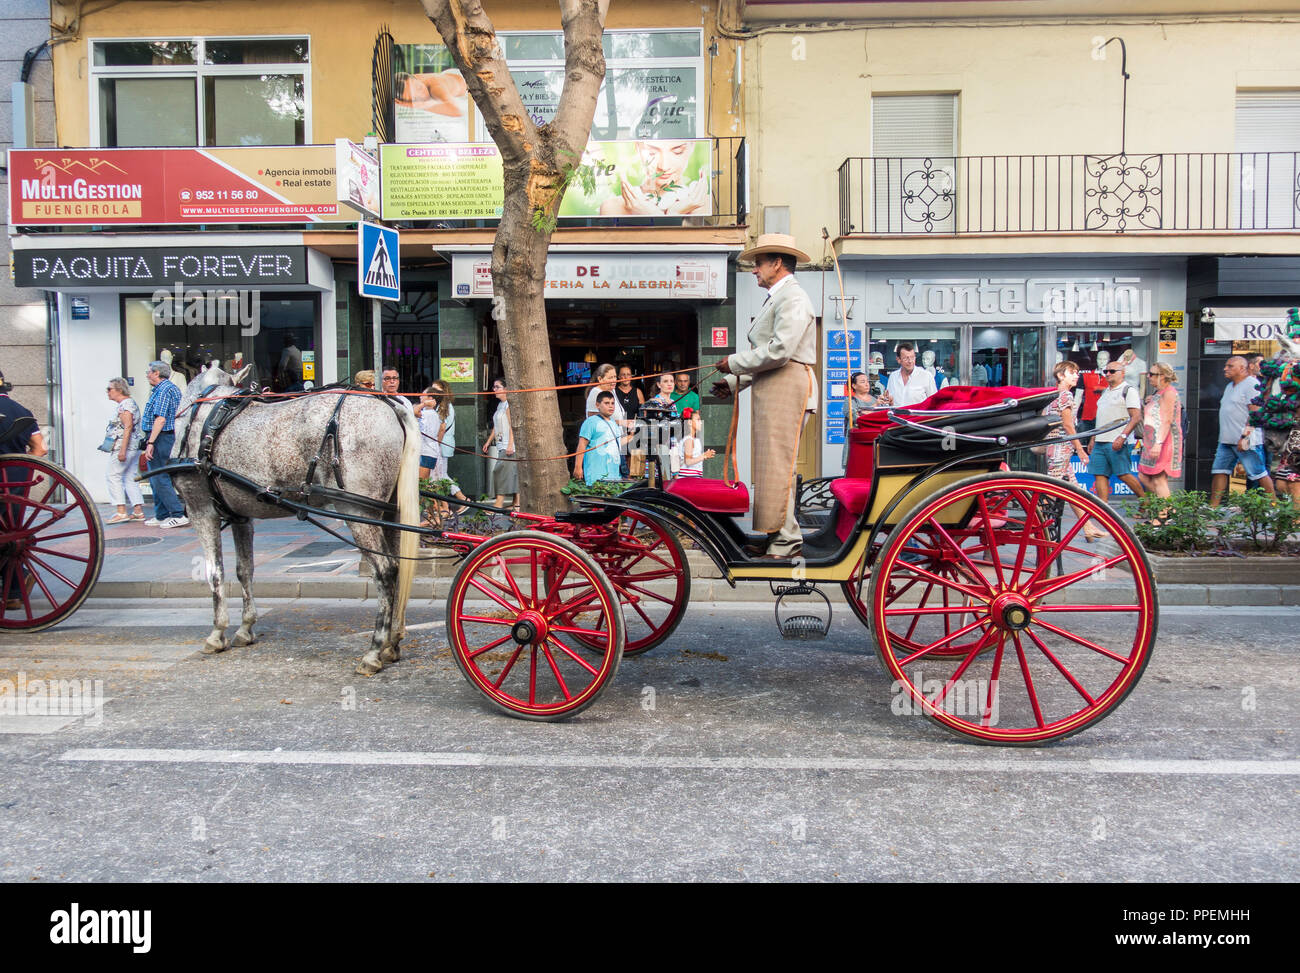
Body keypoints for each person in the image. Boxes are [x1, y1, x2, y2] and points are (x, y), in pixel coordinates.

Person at [713, 233, 817, 559]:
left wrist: (733, 363)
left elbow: (780, 351)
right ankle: (777, 535)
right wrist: (732, 382)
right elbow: (769, 358)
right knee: (770, 465)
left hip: (786, 386)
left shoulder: (794, 298)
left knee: (778, 465)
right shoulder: (780, 297)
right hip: (775, 385)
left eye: (758, 263)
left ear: (776, 263)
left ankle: (786, 540)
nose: (754, 269)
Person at [0, 370, 47, 608]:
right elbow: (40, 449)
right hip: (17, 483)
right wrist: (21, 469)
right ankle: (13, 592)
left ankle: (14, 590)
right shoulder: (22, 411)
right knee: (10, 532)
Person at [1086, 357, 1146, 522]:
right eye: (1106, 371)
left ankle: (1145, 502)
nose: (1108, 374)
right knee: (1099, 474)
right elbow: (1100, 418)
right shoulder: (1106, 391)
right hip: (1100, 440)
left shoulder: (1128, 390)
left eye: (1112, 371)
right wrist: (1093, 438)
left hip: (1118, 440)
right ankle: (1103, 508)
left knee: (1123, 474)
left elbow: (1135, 417)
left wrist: (1123, 436)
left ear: (1122, 373)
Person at [1210, 355, 1273, 506]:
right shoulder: (1229, 386)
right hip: (1226, 440)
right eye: (1226, 365)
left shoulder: (1251, 384)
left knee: (1258, 473)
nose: (1225, 368)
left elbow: (1255, 412)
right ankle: (1212, 508)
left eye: (1230, 366)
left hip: (1246, 439)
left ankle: (1274, 506)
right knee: (1219, 471)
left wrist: (1245, 436)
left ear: (1242, 368)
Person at [598, 139, 708, 216]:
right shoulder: (614, 207)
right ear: (637, 148)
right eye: (651, 153)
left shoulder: (705, 205)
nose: (664, 166)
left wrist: (666, 214)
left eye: (677, 152)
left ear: (692, 145)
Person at [141, 359, 188, 529]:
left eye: (149, 372)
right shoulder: (163, 389)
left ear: (157, 373)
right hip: (161, 436)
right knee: (155, 477)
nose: (147, 375)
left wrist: (151, 442)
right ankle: (162, 514)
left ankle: (177, 514)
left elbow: (160, 419)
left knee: (159, 476)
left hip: (161, 437)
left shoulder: (164, 390)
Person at [1136, 362, 1184, 516]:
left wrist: (1159, 443)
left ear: (1162, 376)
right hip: (1153, 439)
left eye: (1152, 374)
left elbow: (1167, 420)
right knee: (1144, 475)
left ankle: (1163, 515)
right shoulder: (1158, 393)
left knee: (1159, 478)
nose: (1148, 377)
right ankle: (1168, 507)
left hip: (1164, 439)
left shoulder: (1169, 393)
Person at [104, 377, 145, 524]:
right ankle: (138, 511)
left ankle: (121, 511)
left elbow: (127, 427)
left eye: (110, 389)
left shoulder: (125, 405)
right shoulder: (129, 403)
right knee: (129, 477)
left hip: (124, 446)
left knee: (113, 476)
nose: (107, 392)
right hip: (133, 446)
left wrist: (122, 450)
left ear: (119, 390)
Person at [1044, 361, 1090, 484]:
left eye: (1077, 373)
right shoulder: (1066, 395)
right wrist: (1080, 449)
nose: (1076, 376)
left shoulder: (1052, 395)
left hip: (1054, 447)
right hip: (1061, 448)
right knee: (1053, 490)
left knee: (1073, 489)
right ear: (1060, 376)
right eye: (1072, 373)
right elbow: (1067, 425)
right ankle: (1037, 504)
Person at [575, 391, 626, 486]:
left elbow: (616, 443)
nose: (611, 406)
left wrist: (632, 435)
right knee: (597, 499)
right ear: (597, 405)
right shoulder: (591, 422)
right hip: (596, 473)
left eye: (612, 403)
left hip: (614, 474)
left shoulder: (613, 423)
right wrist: (578, 467)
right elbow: (582, 444)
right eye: (606, 403)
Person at [482, 378, 518, 509]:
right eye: (494, 387)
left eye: (497, 387)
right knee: (513, 473)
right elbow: (496, 426)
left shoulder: (509, 405)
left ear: (506, 389)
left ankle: (499, 503)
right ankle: (517, 503)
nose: (494, 389)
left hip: (508, 444)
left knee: (500, 472)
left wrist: (511, 444)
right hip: (500, 443)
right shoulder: (500, 405)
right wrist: (488, 441)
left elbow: (513, 426)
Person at [879, 342, 937, 408]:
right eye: (906, 358)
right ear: (898, 360)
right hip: (896, 417)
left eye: (912, 357)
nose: (910, 361)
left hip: (918, 418)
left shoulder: (926, 376)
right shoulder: (893, 377)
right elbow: (889, 402)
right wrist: (887, 402)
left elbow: (934, 402)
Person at [841, 371, 879, 468]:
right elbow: (857, 418)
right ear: (854, 385)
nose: (867, 384)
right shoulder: (850, 401)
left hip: (873, 440)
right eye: (862, 382)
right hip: (856, 442)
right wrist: (876, 406)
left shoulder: (875, 400)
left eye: (867, 381)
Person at [615, 365, 645, 477]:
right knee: (622, 459)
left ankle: (633, 481)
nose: (625, 377)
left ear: (631, 376)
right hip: (619, 428)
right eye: (623, 374)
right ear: (618, 376)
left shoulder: (637, 392)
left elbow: (643, 413)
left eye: (628, 374)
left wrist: (636, 426)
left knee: (634, 457)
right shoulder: (614, 392)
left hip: (634, 428)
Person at [674, 407, 714, 478]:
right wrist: (704, 456)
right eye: (698, 420)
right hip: (688, 479)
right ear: (689, 422)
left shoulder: (692, 439)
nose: (701, 422)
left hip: (692, 477)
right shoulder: (689, 440)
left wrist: (704, 455)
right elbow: (688, 462)